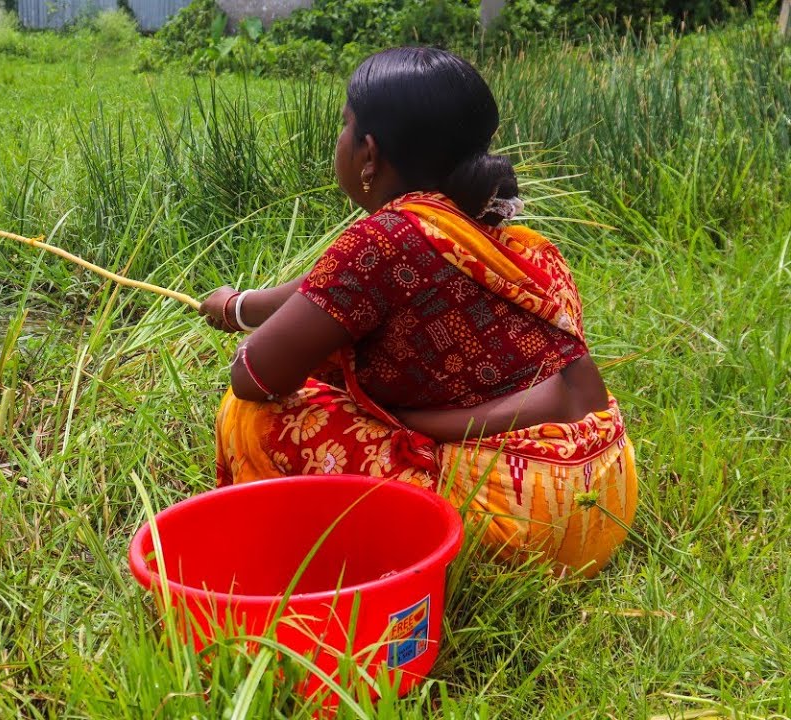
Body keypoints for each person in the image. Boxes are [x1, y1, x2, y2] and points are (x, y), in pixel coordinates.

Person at [199, 47, 636, 578]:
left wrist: (251, 336)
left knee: (253, 415)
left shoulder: (385, 241)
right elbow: (327, 288)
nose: (339, 140)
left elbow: (254, 375)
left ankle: (306, 554)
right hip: (603, 489)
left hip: (518, 525)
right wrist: (240, 305)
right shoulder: (495, 231)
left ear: (369, 153)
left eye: (345, 126)